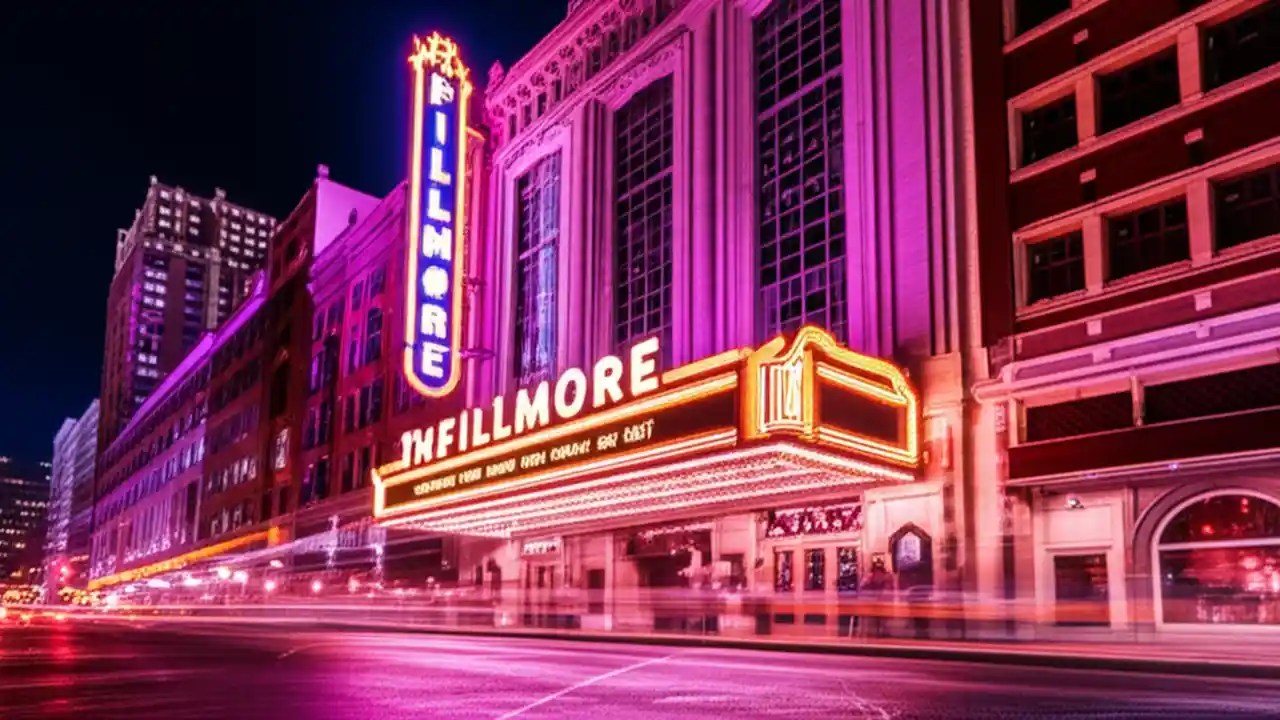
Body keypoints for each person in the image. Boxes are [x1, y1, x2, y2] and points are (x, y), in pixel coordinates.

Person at [860, 557, 892, 639]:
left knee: (881, 621)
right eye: (876, 572)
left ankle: (881, 634)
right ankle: (875, 636)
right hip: (872, 606)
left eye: (880, 573)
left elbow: (888, 592)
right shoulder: (869, 580)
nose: (878, 575)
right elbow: (862, 590)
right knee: (873, 624)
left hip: (880, 606)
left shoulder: (885, 580)